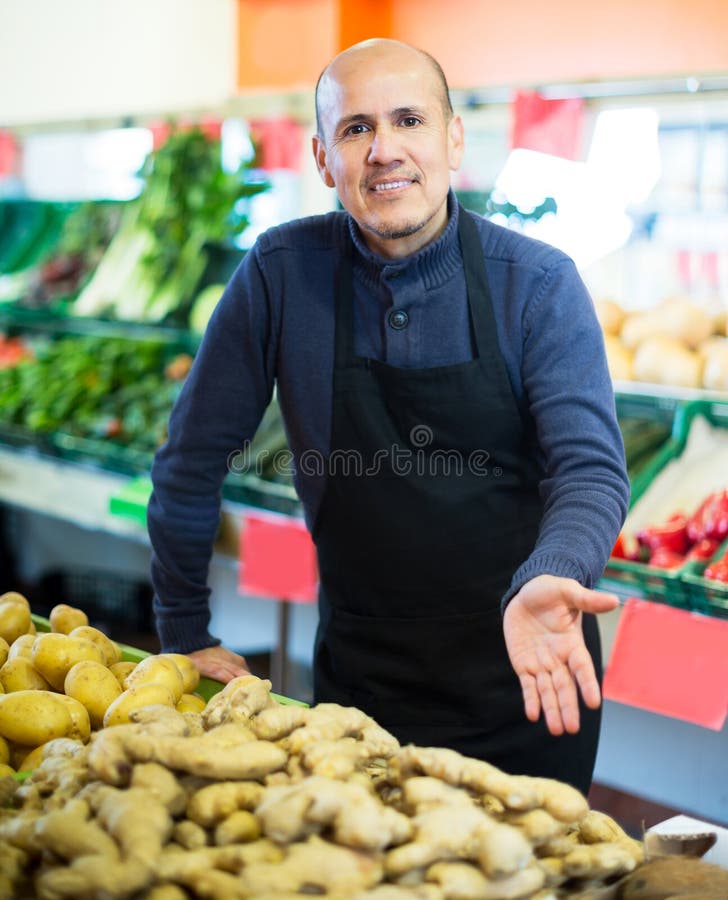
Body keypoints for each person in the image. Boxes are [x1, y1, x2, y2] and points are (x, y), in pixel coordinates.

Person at [147, 38, 629, 794]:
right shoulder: (280, 273)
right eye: (356, 128)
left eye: (409, 119)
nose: (384, 150)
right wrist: (184, 630)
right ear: (321, 157)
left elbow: (591, 471)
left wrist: (554, 570)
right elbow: (191, 457)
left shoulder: (536, 284)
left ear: (453, 139)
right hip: (358, 696)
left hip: (527, 683)